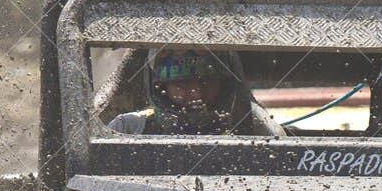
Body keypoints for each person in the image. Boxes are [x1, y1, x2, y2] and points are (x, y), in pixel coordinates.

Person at [107, 49, 284, 137]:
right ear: (160, 87)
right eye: (181, 83)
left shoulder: (255, 126)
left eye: (206, 81)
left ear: (224, 83)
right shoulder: (128, 128)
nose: (196, 92)